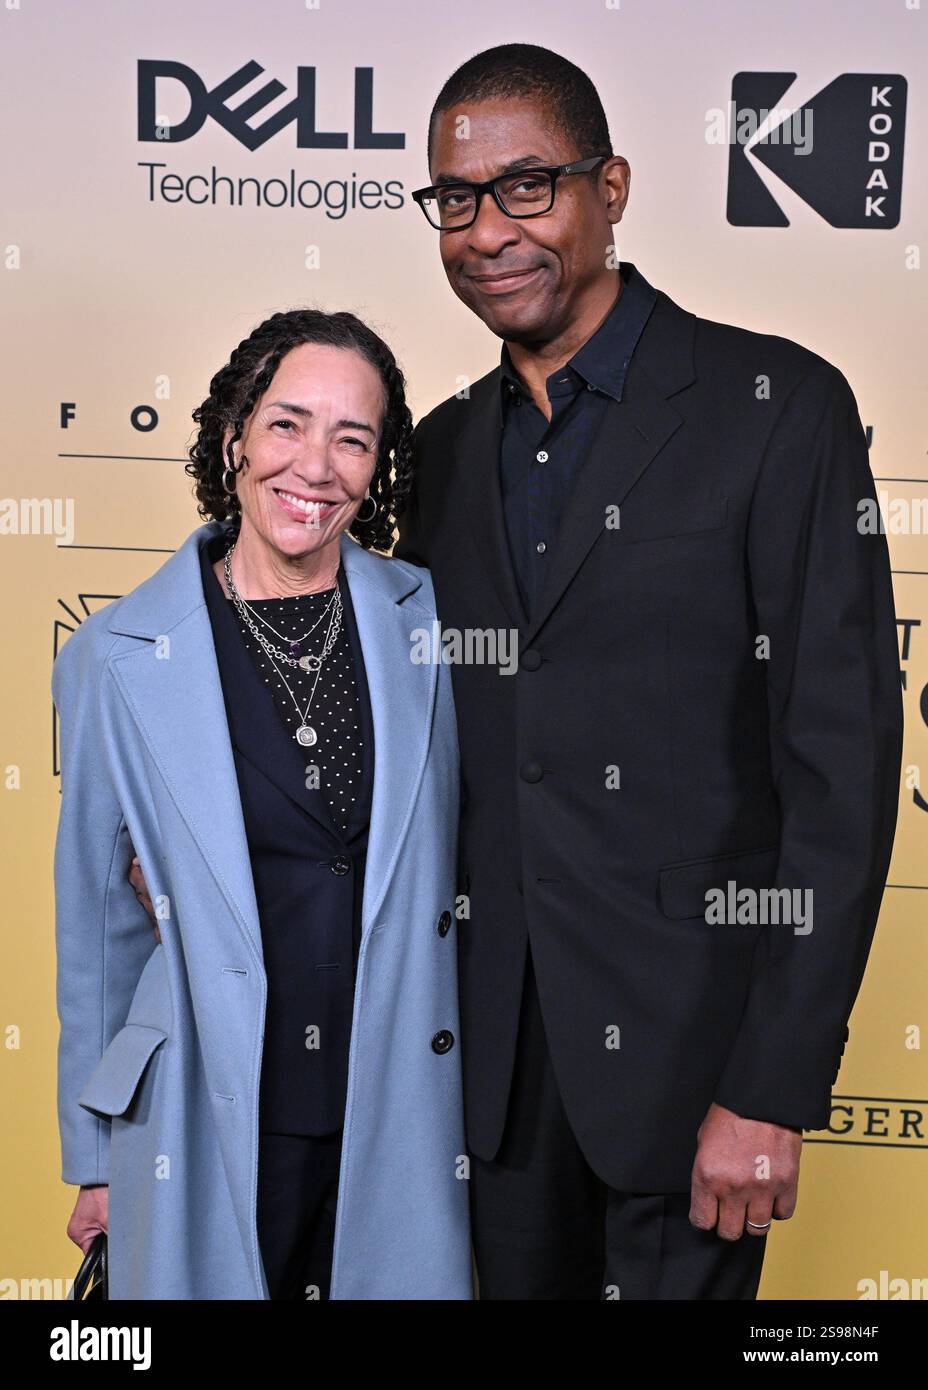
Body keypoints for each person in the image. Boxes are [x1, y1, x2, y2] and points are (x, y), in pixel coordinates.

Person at [396, 43, 904, 1299]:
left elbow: (840, 771)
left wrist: (770, 1085)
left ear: (609, 187)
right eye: (455, 199)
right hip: (486, 1090)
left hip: (695, 1087)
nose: (487, 230)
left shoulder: (776, 404)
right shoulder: (441, 451)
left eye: (527, 186)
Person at [53, 309, 472, 1300]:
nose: (316, 466)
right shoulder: (116, 659)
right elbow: (100, 925)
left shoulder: (431, 626)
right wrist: (97, 1155)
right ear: (235, 434)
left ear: (377, 471)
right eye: (288, 424)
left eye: (352, 438)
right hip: (203, 1099)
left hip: (399, 1094)